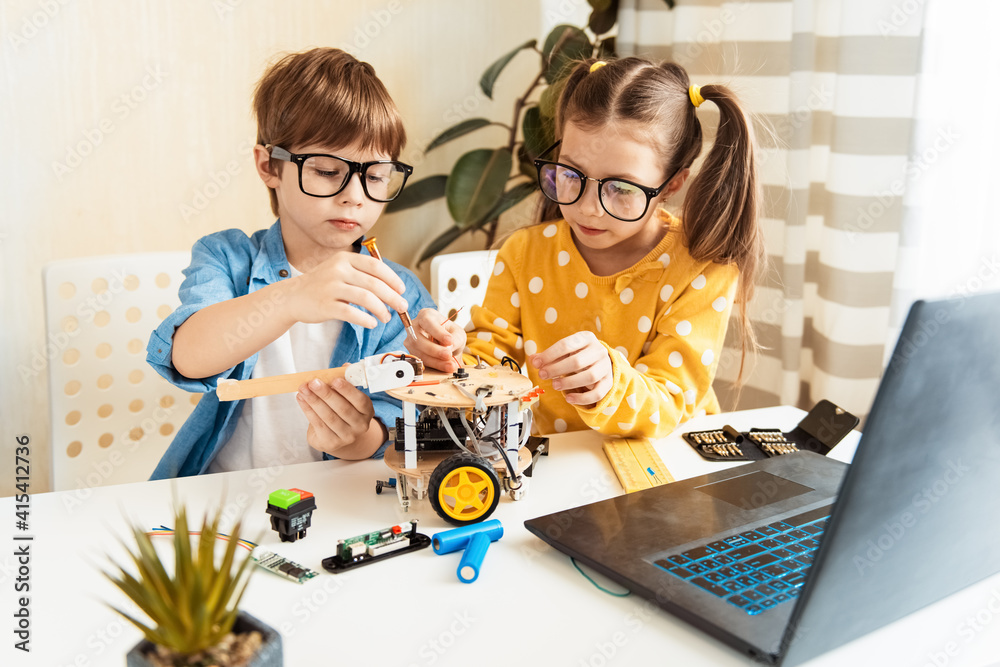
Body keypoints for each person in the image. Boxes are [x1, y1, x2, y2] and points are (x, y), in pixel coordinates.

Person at [408, 57, 763, 437]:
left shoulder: (702, 268)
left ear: (673, 184)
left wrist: (610, 382)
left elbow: (671, 401)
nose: (587, 208)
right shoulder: (523, 254)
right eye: (571, 174)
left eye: (621, 188)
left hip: (666, 468)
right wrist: (452, 355)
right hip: (556, 469)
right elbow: (491, 367)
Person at [147, 48, 436, 478]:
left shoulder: (397, 289)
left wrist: (357, 438)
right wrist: (293, 296)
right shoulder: (225, 257)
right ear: (269, 166)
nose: (355, 195)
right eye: (326, 170)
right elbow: (188, 357)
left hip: (338, 504)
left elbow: (403, 421)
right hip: (223, 497)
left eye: (375, 176)